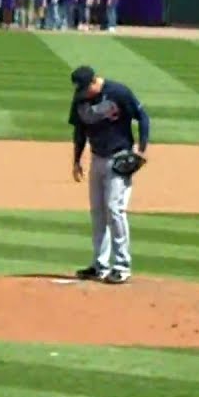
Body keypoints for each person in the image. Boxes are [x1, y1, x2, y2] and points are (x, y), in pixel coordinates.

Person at [69, 65, 150, 285]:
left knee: (115, 210)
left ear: (95, 81)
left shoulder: (119, 92)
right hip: (96, 158)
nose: (83, 94)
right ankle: (99, 266)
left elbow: (142, 117)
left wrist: (141, 149)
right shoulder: (80, 99)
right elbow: (79, 130)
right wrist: (77, 159)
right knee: (98, 212)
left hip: (118, 157)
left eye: (86, 89)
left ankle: (122, 266)